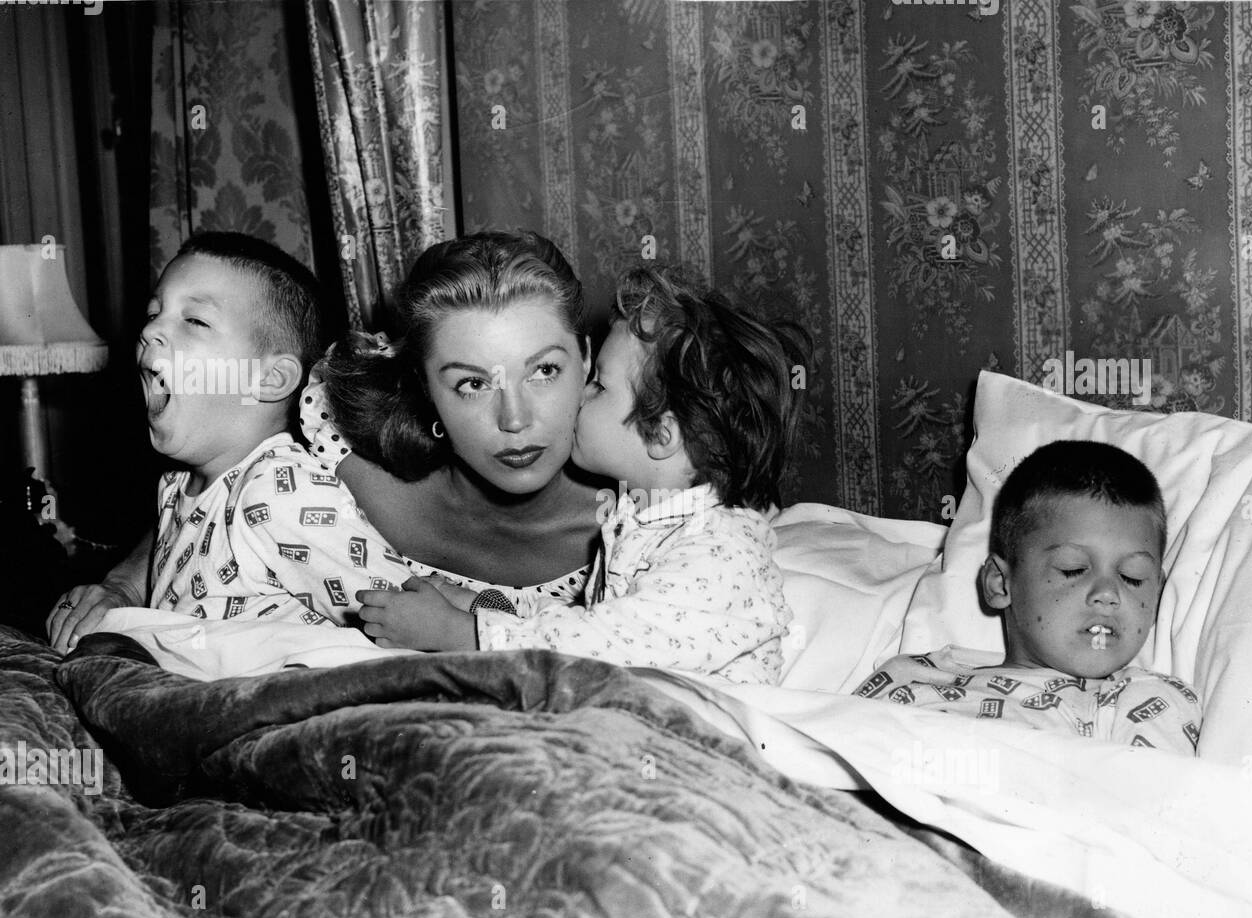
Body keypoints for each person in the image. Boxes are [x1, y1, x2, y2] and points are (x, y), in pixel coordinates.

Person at [48, 229, 604, 652]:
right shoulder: (332, 426)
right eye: (471, 383)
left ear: (585, 357)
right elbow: (220, 482)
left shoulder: (649, 520)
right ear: (422, 388)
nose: (514, 419)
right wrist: (122, 585)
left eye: (544, 371)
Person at [357, 264, 807, 685]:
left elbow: (612, 645)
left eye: (600, 385)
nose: (581, 396)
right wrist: (478, 606)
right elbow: (590, 623)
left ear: (660, 434)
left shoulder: (720, 546)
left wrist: (463, 633)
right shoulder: (648, 521)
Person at [47, 232, 407, 647]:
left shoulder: (277, 491)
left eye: (195, 320)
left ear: (271, 379)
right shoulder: (175, 491)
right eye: (152, 313)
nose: (151, 332)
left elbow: (404, 614)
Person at [855, 441, 1200, 754]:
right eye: (1073, 569)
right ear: (1001, 584)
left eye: (1132, 578)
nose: (1108, 594)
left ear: (1157, 593)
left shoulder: (1146, 700)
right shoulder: (911, 677)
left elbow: (1154, 810)